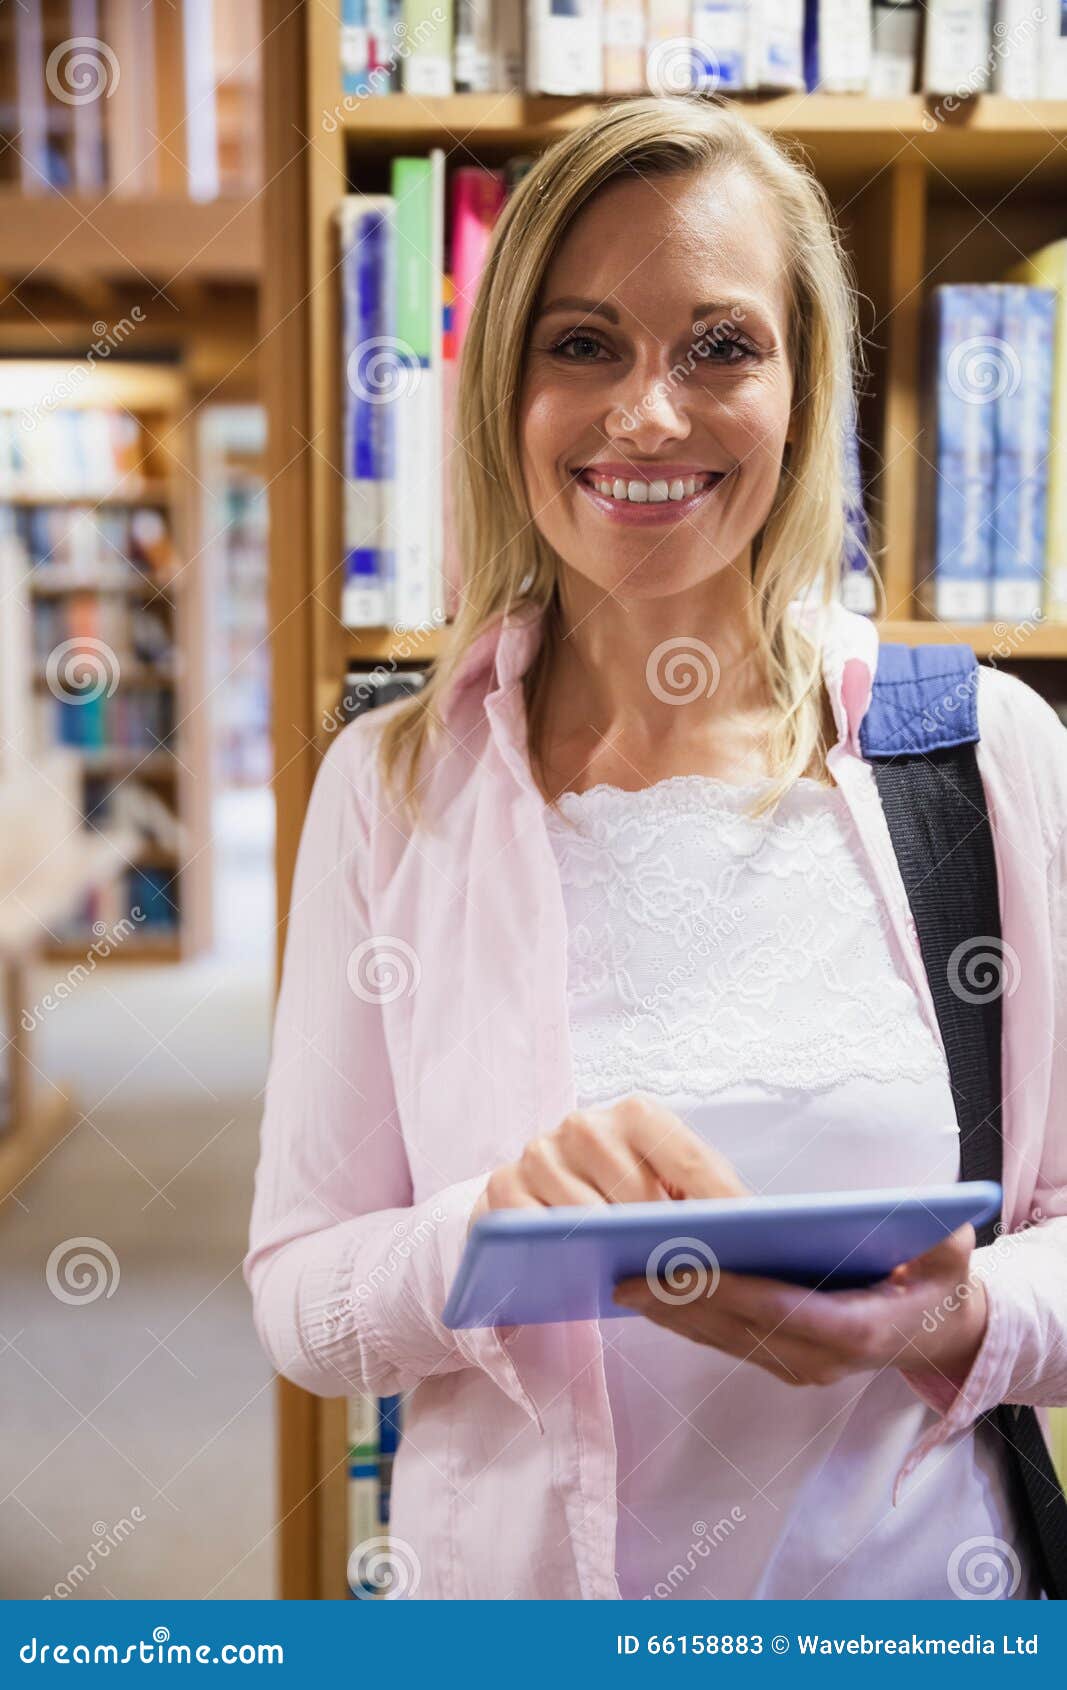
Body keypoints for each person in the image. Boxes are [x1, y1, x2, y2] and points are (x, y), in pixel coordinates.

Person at [243, 95, 1067, 1600]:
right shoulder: (392, 782)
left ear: (804, 391)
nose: (648, 414)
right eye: (583, 344)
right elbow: (299, 1301)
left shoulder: (985, 755)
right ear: (507, 391)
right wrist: (481, 1234)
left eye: (720, 346)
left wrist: (959, 1320)